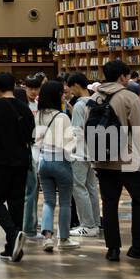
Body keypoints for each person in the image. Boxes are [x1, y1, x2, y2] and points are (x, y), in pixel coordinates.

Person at [91, 59, 140, 262]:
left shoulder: (94, 98)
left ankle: (112, 249)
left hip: (102, 160)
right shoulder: (129, 97)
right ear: (122, 76)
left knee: (109, 204)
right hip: (129, 158)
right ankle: (138, 246)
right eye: (127, 75)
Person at [0, 71, 35, 262]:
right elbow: (30, 135)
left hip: (0, 160)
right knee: (16, 202)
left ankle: (12, 234)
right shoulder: (25, 108)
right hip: (22, 161)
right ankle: (12, 247)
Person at [34, 79, 80, 252]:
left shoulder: (38, 115)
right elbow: (69, 143)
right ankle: (64, 238)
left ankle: (47, 238)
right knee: (66, 203)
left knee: (48, 201)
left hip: (44, 161)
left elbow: (37, 140)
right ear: (56, 95)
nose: (63, 95)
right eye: (61, 93)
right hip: (60, 162)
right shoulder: (62, 117)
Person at [63, 73, 101, 236]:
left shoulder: (79, 105)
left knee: (79, 187)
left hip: (80, 152)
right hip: (94, 151)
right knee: (92, 187)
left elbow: (77, 131)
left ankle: (87, 224)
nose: (70, 91)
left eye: (71, 88)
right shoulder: (96, 101)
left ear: (76, 85)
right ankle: (95, 223)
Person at [20, 72, 44, 238]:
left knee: (34, 190)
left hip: (39, 149)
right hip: (27, 150)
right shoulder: (21, 106)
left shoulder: (39, 105)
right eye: (31, 88)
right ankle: (28, 225)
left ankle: (31, 222)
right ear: (25, 88)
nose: (33, 91)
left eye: (36, 88)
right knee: (29, 190)